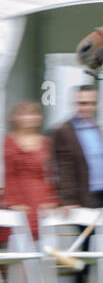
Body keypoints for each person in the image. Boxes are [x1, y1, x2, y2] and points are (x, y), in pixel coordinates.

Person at [52, 85, 103, 283]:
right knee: (86, 245)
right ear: (75, 104)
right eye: (81, 103)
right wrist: (68, 199)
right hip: (84, 197)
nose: (85, 107)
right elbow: (64, 166)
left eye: (89, 103)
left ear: (95, 105)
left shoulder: (97, 128)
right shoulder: (65, 130)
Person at [1, 101, 58, 243]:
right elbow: (8, 174)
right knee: (15, 241)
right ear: (15, 118)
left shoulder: (46, 142)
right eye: (24, 114)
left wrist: (52, 199)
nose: (29, 118)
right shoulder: (8, 142)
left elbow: (51, 174)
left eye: (33, 114)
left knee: (40, 243)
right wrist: (13, 201)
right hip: (17, 196)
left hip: (40, 197)